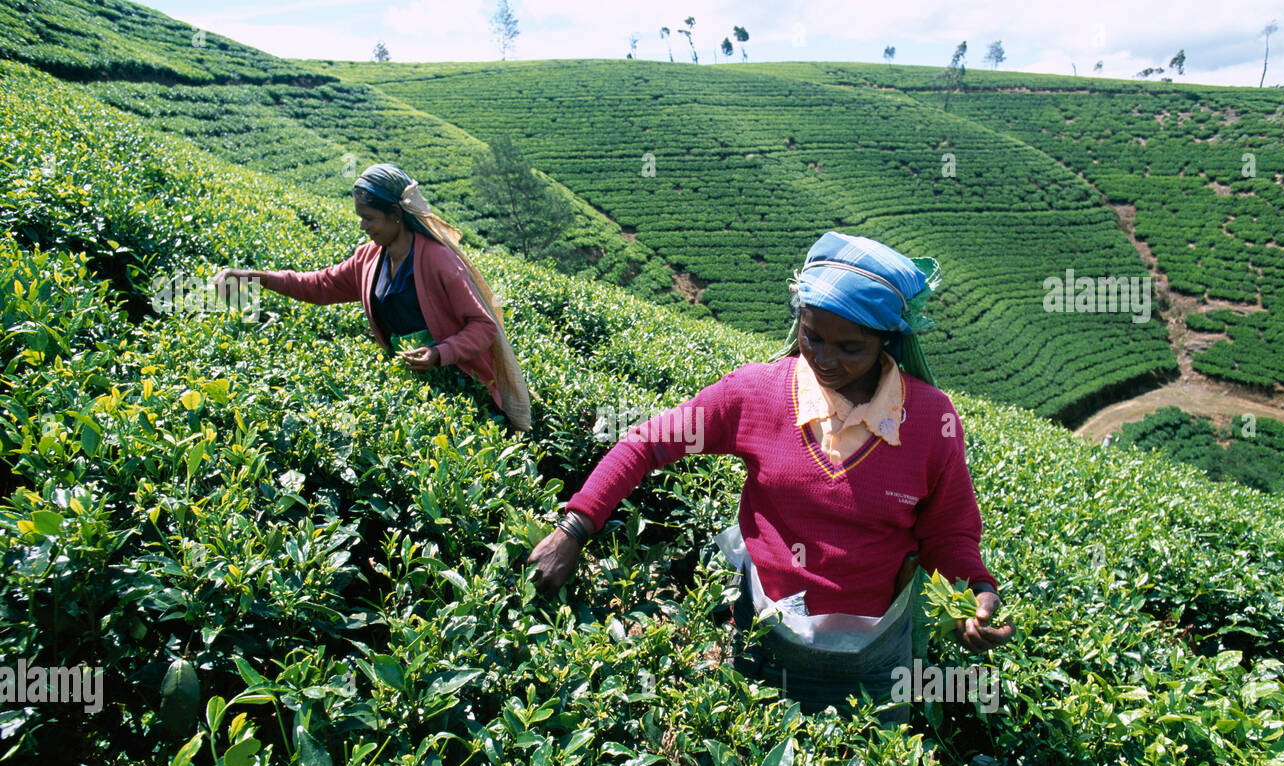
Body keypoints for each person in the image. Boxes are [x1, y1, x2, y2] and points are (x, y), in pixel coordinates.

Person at [528, 231, 1013, 722]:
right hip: (767, 633)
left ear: (886, 339)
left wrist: (976, 591)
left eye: (850, 347)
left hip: (876, 650)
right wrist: (574, 528)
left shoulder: (931, 420)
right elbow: (646, 442)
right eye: (812, 336)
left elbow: (948, 532)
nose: (824, 359)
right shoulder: (757, 393)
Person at [212, 163, 531, 431]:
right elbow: (319, 286)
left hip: (460, 384)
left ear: (395, 214)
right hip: (413, 381)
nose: (363, 226)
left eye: (369, 217)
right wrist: (254, 278)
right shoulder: (368, 259)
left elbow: (484, 326)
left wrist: (440, 353)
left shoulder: (439, 260)